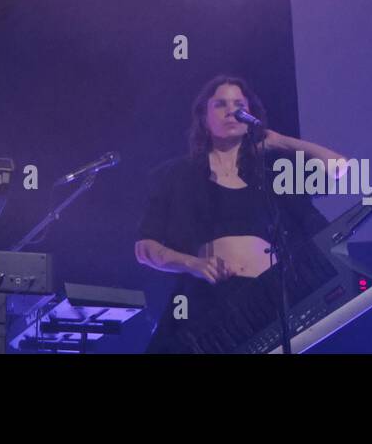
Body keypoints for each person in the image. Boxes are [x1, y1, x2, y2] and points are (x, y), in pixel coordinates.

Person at [134, 75, 350, 353]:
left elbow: (339, 167)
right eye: (220, 104)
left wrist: (281, 141)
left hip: (270, 301)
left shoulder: (272, 173)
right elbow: (145, 248)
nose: (231, 111)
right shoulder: (176, 176)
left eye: (239, 105)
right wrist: (191, 263)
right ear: (203, 116)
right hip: (213, 302)